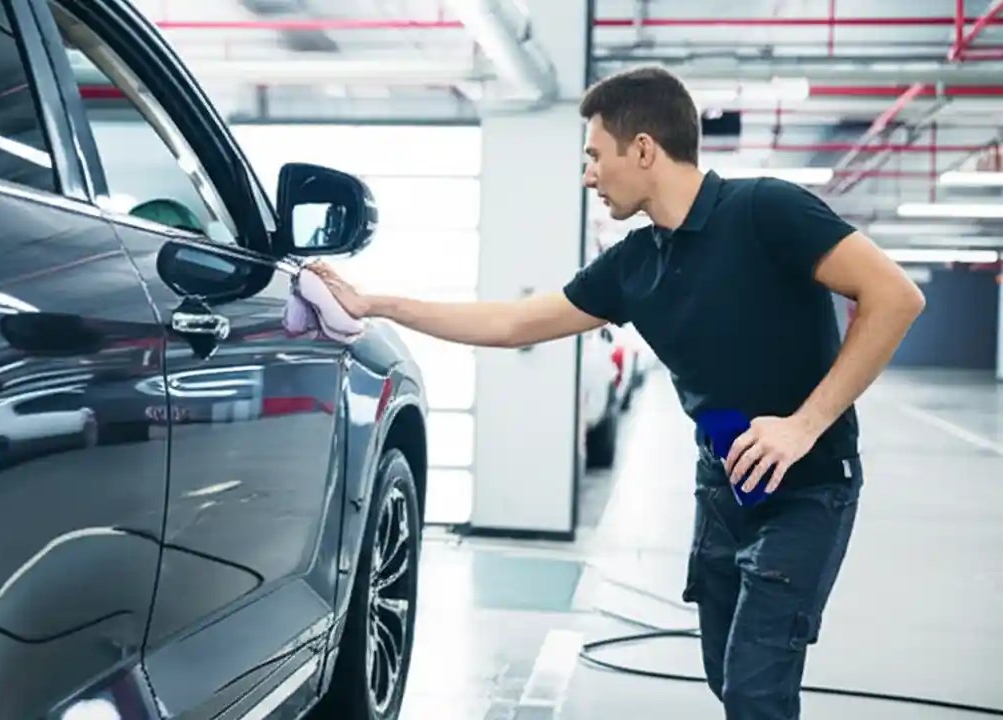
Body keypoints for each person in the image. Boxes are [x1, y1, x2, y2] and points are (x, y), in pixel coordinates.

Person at [308, 65, 926, 719]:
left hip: (810, 486)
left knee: (756, 686)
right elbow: (512, 322)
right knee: (727, 674)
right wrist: (378, 303)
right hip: (725, 487)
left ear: (643, 149)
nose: (587, 175)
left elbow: (895, 297)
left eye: (594, 155)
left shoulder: (765, 210)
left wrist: (804, 424)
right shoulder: (633, 265)